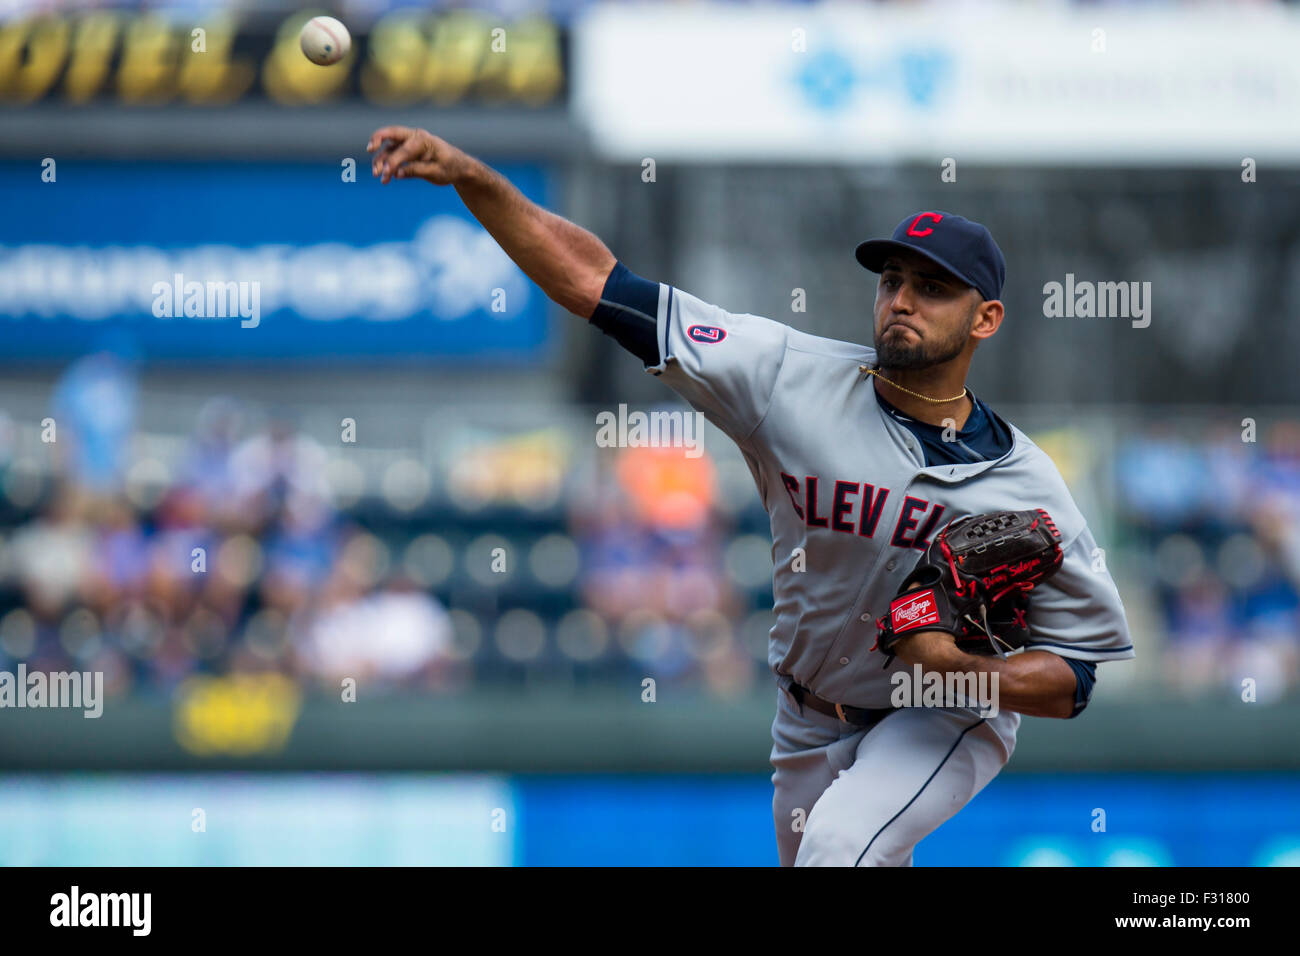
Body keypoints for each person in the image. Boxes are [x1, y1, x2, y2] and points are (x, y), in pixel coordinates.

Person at [367, 127, 1135, 866]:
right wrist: (473, 176)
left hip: (941, 716)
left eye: (932, 288)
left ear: (985, 319)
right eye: (892, 280)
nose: (901, 299)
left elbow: (1077, 680)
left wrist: (955, 670)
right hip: (804, 716)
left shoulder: (1027, 488)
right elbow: (598, 285)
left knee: (841, 849)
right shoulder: (785, 380)